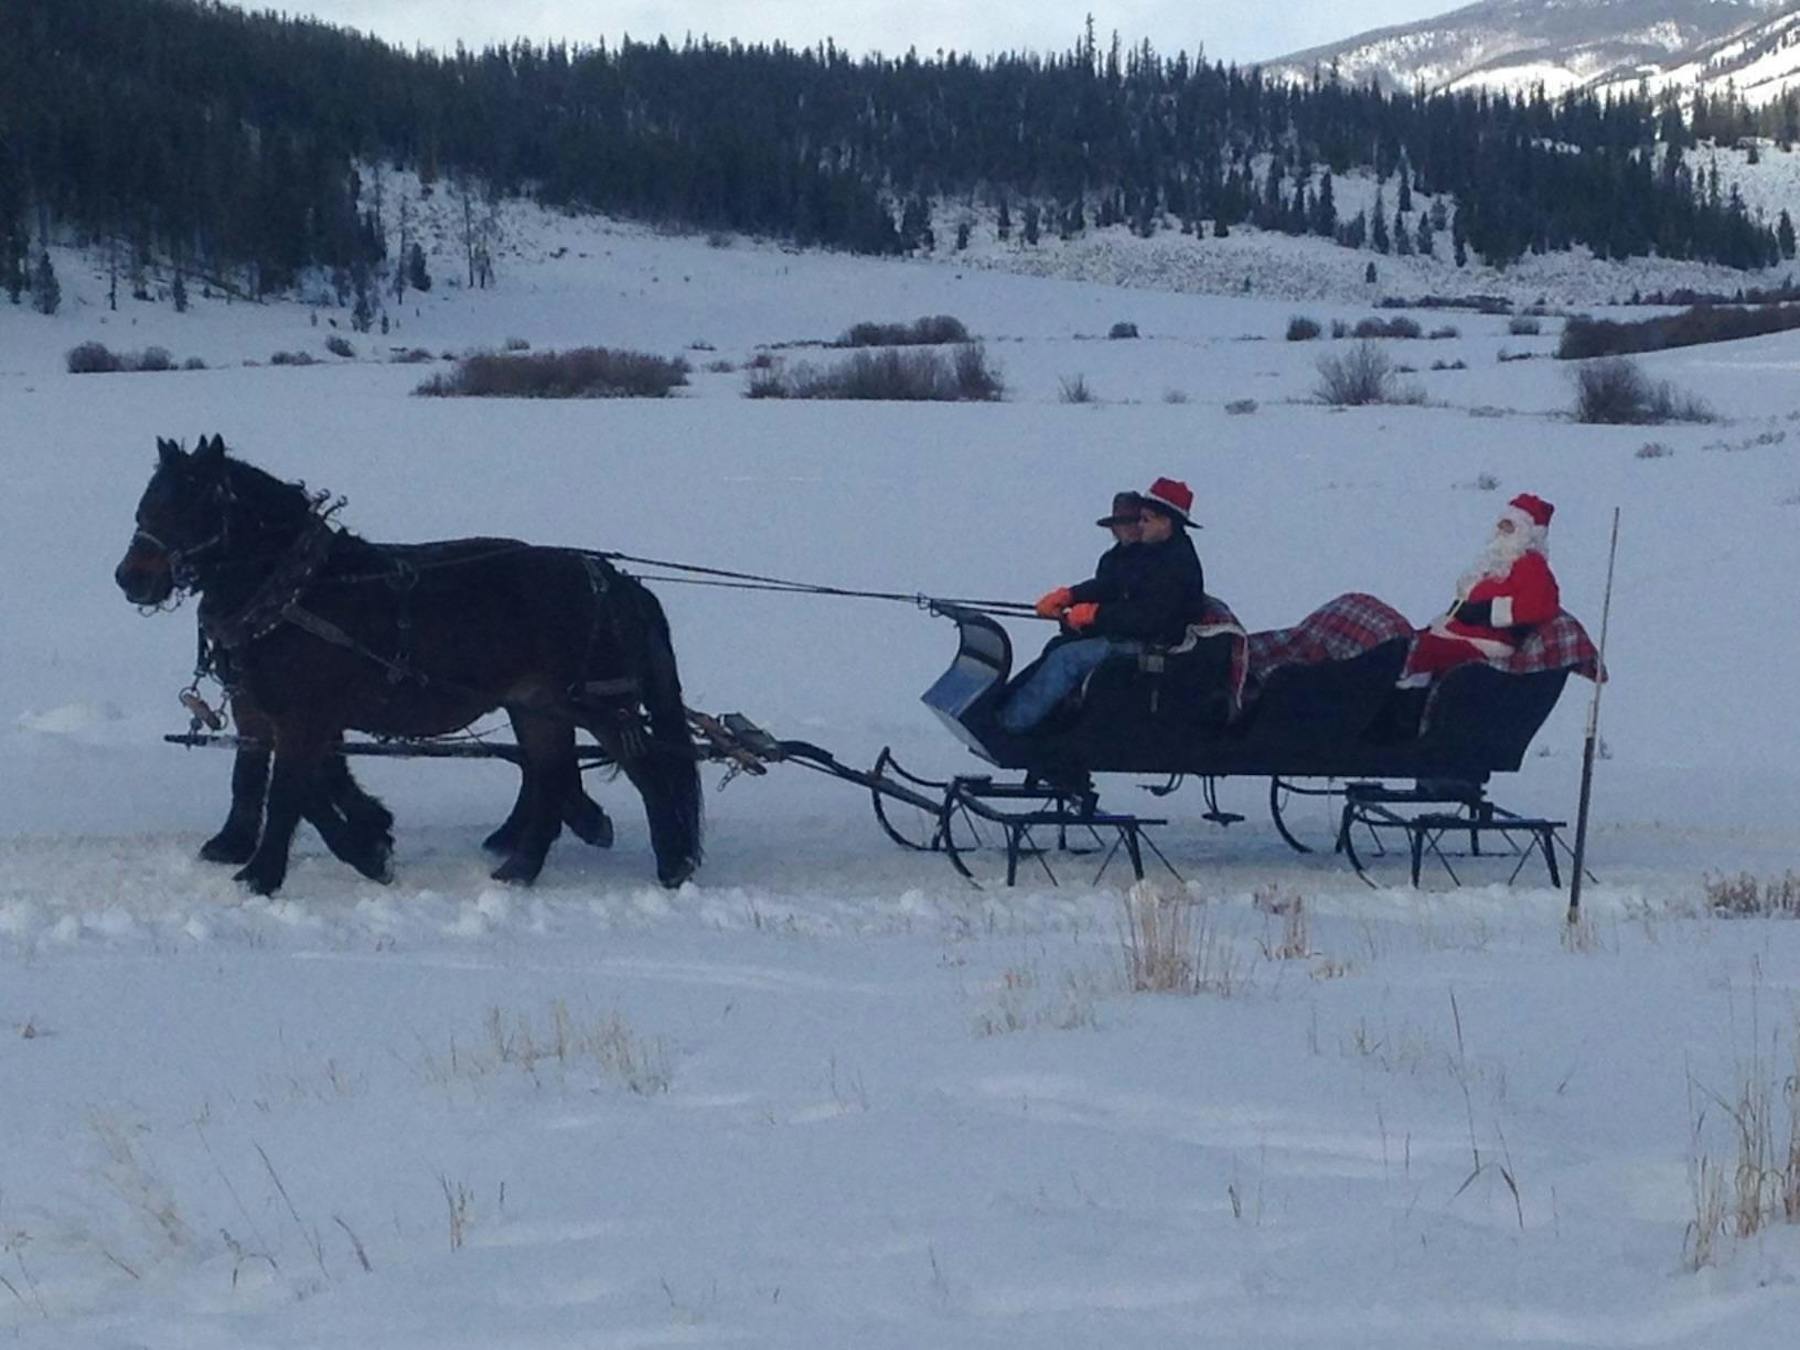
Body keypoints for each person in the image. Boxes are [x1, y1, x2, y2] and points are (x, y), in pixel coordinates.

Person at [999, 477, 1206, 734]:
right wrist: (1069, 596)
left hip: (1158, 646)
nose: (1139, 526)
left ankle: (1010, 728)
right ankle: (1039, 718)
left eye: (1146, 519)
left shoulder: (1175, 563)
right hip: (1138, 636)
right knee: (1059, 647)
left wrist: (1095, 615)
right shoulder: (1153, 553)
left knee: (1068, 658)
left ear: (1167, 522)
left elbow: (1149, 619)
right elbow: (1113, 584)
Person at [1402, 492, 1561, 684]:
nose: (1501, 531)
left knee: (1420, 651)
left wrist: (1487, 612)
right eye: (1501, 525)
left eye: (1509, 527)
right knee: (1406, 643)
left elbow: (1540, 605)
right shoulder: (1499, 562)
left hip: (1486, 643)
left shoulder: (1531, 564)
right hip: (1460, 633)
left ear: (1526, 534)